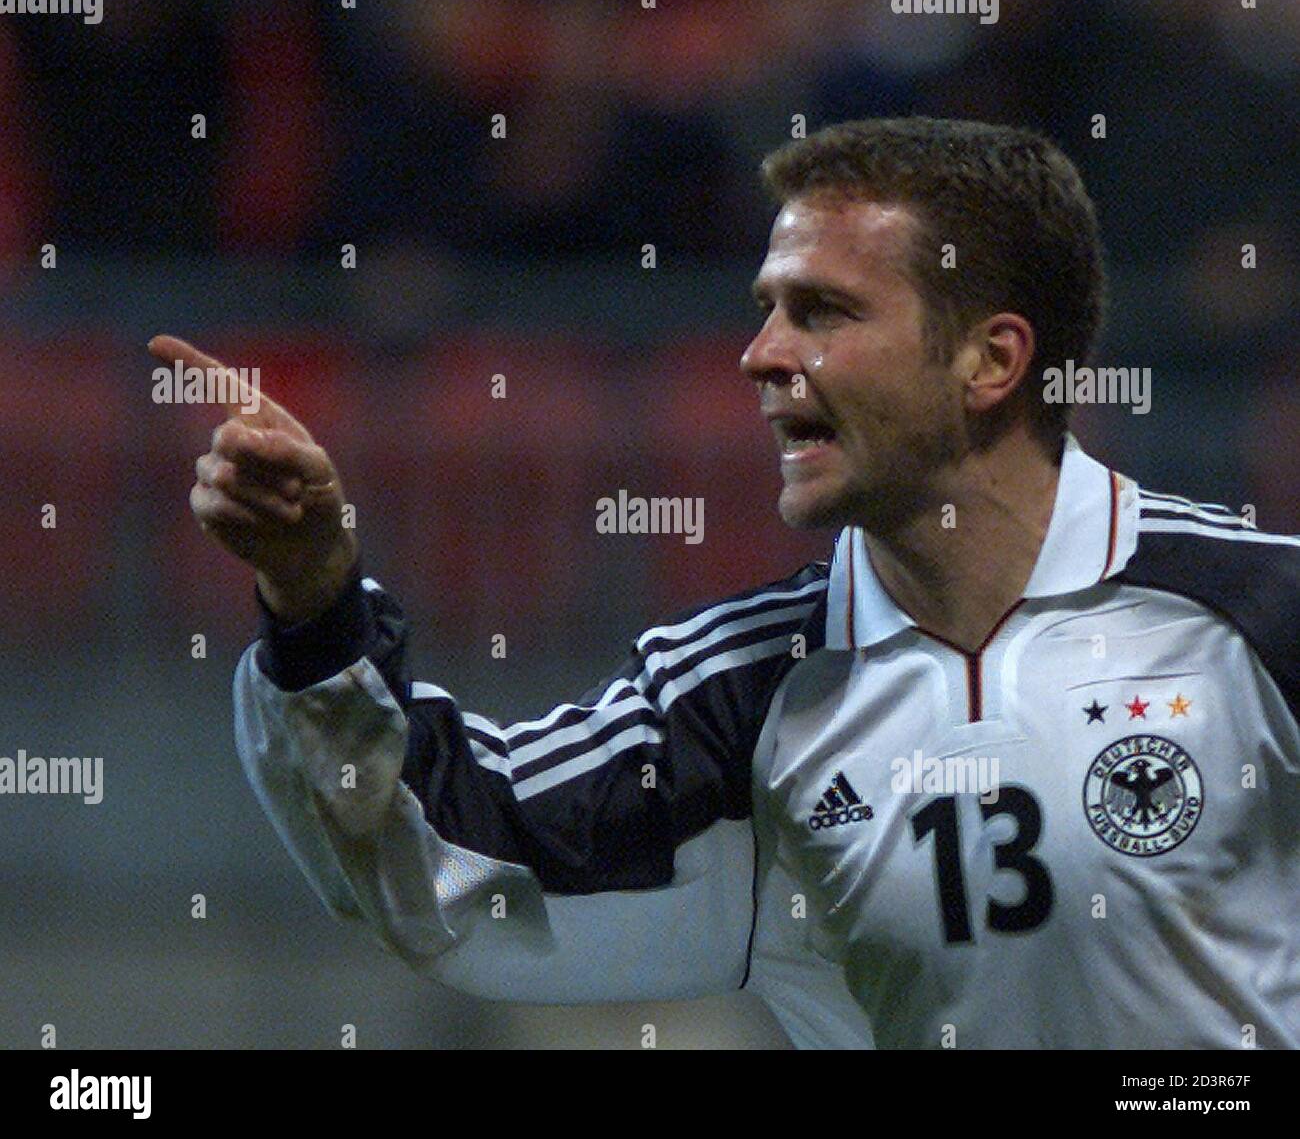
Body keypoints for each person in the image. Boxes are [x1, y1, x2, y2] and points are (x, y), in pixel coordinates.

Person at [162, 117, 1299, 1049]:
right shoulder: (745, 695)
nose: (760, 355)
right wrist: (316, 603)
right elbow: (444, 857)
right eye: (765, 305)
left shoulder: (1259, 620)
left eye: (822, 311)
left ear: (990, 360)